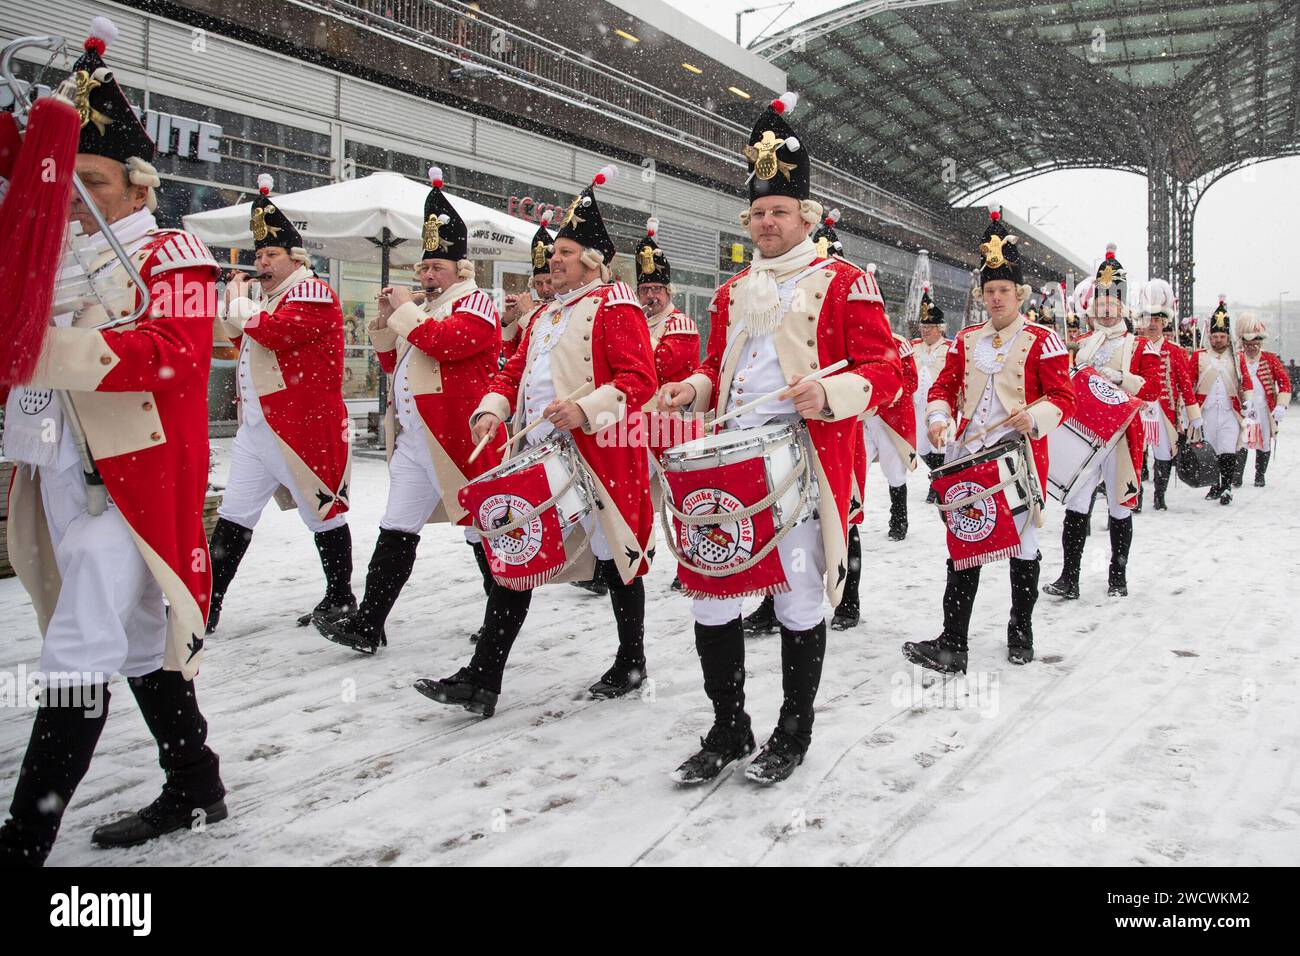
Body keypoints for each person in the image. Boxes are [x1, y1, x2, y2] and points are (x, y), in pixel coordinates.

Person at [0, 18, 225, 864]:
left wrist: (37, 345)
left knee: (78, 650)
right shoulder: (48, 252)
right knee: (133, 640)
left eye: (92, 183)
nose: (75, 201)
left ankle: (25, 839)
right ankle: (196, 785)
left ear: (137, 188)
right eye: (68, 184)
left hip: (129, 485)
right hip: (62, 470)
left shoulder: (177, 253)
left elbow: (173, 357)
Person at [657, 93, 904, 784]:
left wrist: (830, 393)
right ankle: (728, 726)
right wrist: (693, 390)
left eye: (780, 212)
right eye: (759, 212)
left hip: (803, 466)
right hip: (731, 466)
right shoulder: (733, 291)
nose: (768, 222)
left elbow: (889, 373)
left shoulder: (846, 282)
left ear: (807, 217)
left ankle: (792, 732)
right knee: (711, 595)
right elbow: (715, 368)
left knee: (797, 599)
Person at [415, 165, 659, 714]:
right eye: (556, 252)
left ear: (593, 260)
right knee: (516, 545)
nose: (555, 258)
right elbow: (511, 372)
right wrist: (491, 409)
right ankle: (483, 678)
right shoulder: (546, 313)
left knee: (618, 557)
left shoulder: (616, 306)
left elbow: (639, 382)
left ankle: (631, 658)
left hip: (599, 455)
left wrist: (584, 408)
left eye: (567, 253)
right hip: (542, 455)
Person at [317, 167, 502, 653]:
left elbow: (445, 345)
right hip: (417, 442)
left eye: (435, 269)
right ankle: (368, 623)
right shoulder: (425, 308)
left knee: (483, 535)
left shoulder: (477, 304)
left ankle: (499, 621)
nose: (425, 276)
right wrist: (385, 322)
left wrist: (404, 312)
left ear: (460, 270)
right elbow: (393, 364)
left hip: (461, 440)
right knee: (396, 530)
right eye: (422, 268)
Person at [902, 210, 1074, 673]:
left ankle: (1021, 632)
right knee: (965, 545)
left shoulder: (1043, 339)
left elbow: (1064, 398)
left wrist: (1032, 416)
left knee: (1023, 549)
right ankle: (953, 641)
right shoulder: (965, 341)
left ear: (1020, 294)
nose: (996, 299)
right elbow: (941, 387)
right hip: (971, 460)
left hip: (1018, 462)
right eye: (989, 291)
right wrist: (938, 417)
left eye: (1004, 291)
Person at [205, 173, 354, 633]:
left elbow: (274, 333)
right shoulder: (269, 298)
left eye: (271, 255)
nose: (262, 262)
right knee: (233, 517)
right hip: (258, 428)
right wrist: (232, 304)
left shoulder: (312, 292)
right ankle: (207, 605)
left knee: (323, 513)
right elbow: (231, 337)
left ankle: (341, 596)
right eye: (259, 254)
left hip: (302, 427)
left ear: (296, 258)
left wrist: (238, 303)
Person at [1043, 246, 1160, 599]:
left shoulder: (1141, 346)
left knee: (1118, 508)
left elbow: (1153, 389)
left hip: (1122, 437)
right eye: (1100, 303)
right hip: (1084, 436)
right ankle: (1070, 577)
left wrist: (1121, 378)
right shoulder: (1081, 344)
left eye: (1112, 303)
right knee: (1077, 506)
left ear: (1122, 305)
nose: (1105, 311)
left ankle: (1117, 577)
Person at [1136, 277, 1201, 510]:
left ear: (1164, 323)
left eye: (1157, 319)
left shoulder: (1175, 351)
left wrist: (1194, 414)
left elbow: (1184, 383)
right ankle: (1136, 496)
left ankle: (1159, 496)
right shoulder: (1134, 346)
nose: (1152, 324)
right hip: (1139, 410)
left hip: (1165, 411)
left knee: (1164, 453)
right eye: (1148, 319)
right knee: (1136, 453)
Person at [1192, 297, 1254, 504]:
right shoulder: (1199, 356)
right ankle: (1214, 485)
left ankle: (1226, 487)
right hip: (1206, 410)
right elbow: (1189, 383)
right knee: (1210, 451)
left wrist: (1249, 402)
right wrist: (1188, 411)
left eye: (1221, 336)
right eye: (1215, 336)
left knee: (1228, 450)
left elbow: (1246, 382)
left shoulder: (1238, 358)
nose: (1218, 340)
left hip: (1230, 411)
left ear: (1228, 337)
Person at [1233, 314, 1291, 487]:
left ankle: (1260, 474)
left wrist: (1281, 405)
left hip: (1264, 407)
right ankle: (1237, 476)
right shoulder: (1236, 358)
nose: (1251, 348)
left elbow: (1285, 383)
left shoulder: (1270, 359)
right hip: (1243, 407)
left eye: (1255, 344)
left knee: (1264, 440)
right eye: (1248, 345)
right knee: (1241, 441)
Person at [912, 286, 953, 504]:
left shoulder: (949, 347)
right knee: (921, 447)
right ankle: (939, 477)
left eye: (929, 326)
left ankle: (937, 484)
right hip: (917, 404)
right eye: (922, 326)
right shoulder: (914, 347)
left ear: (940, 328)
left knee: (940, 444)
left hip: (940, 404)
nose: (925, 330)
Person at [500, 210, 554, 364]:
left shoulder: (570, 306)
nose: (544, 289)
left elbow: (548, 351)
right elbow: (511, 355)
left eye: (549, 282)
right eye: (538, 283)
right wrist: (509, 320)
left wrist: (530, 314)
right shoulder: (534, 309)